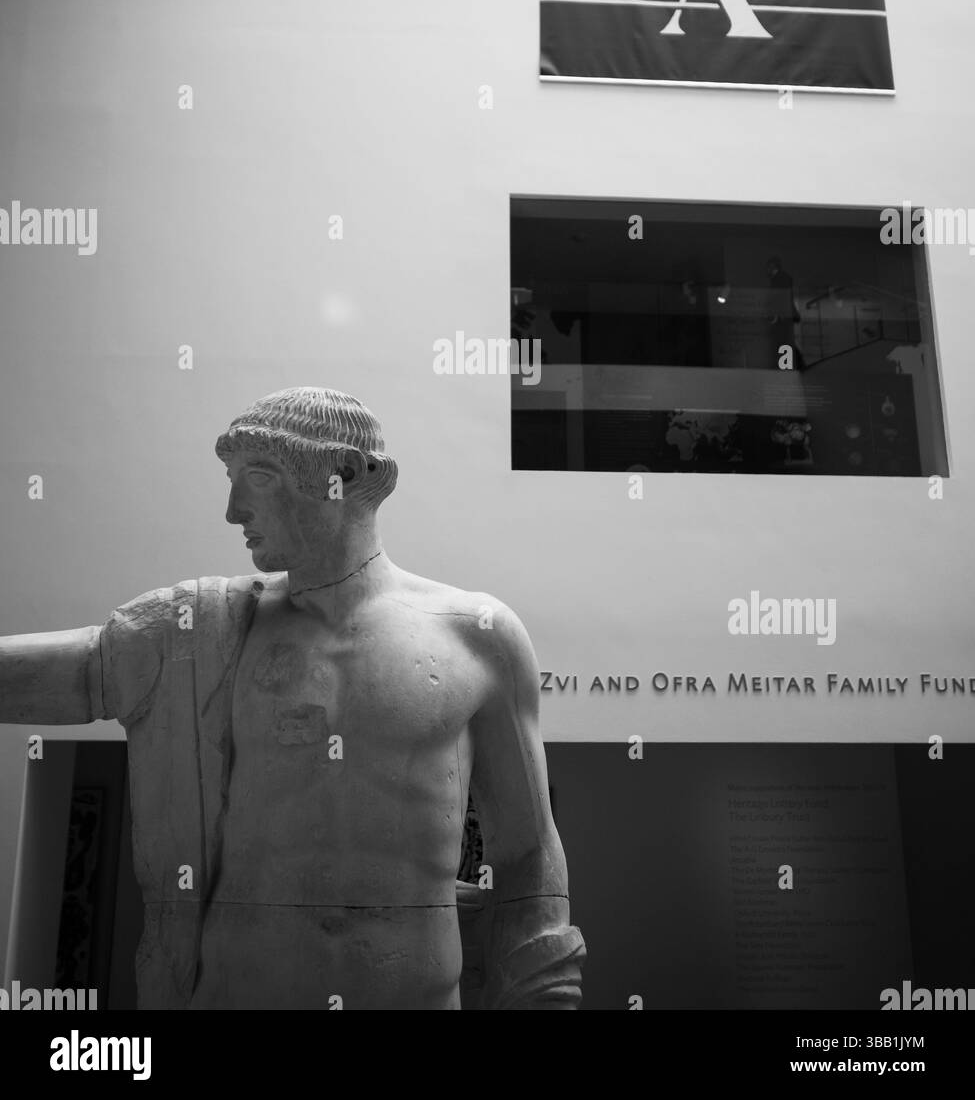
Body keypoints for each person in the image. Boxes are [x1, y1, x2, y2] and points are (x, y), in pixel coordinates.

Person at [0, 387, 584, 1010]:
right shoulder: (206, 630)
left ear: (344, 475)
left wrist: (541, 993)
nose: (232, 510)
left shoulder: (478, 636)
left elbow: (527, 851)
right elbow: (73, 670)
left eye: (258, 477)